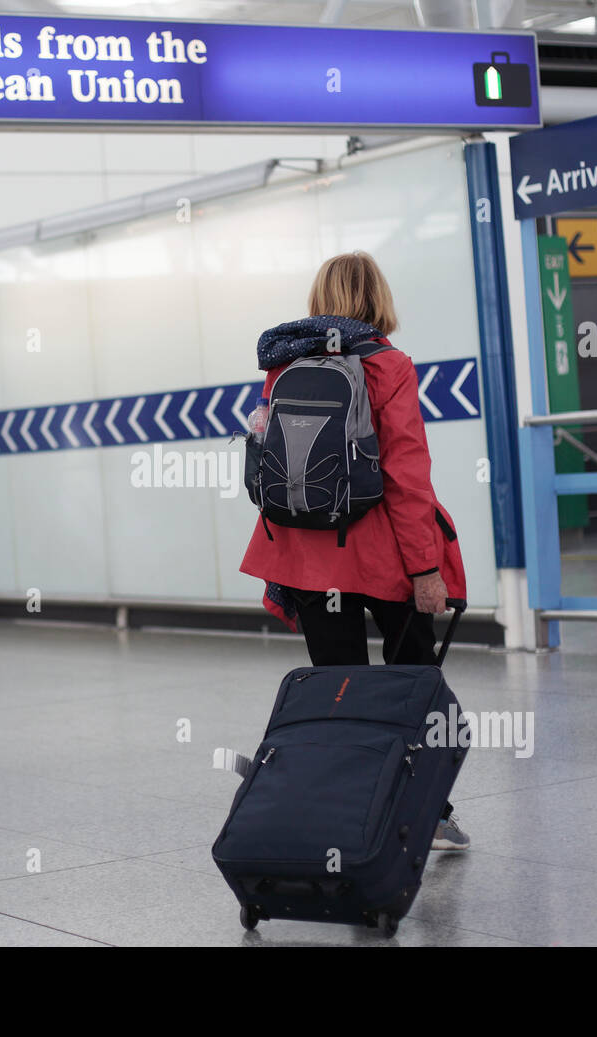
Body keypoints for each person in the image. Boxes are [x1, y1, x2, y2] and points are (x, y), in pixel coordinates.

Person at [240, 251, 472, 851]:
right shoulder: (389, 365)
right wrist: (426, 568)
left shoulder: (283, 364)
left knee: (338, 693)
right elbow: (406, 475)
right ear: (378, 298)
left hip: (310, 560)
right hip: (383, 558)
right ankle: (426, 813)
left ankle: (346, 818)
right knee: (411, 686)